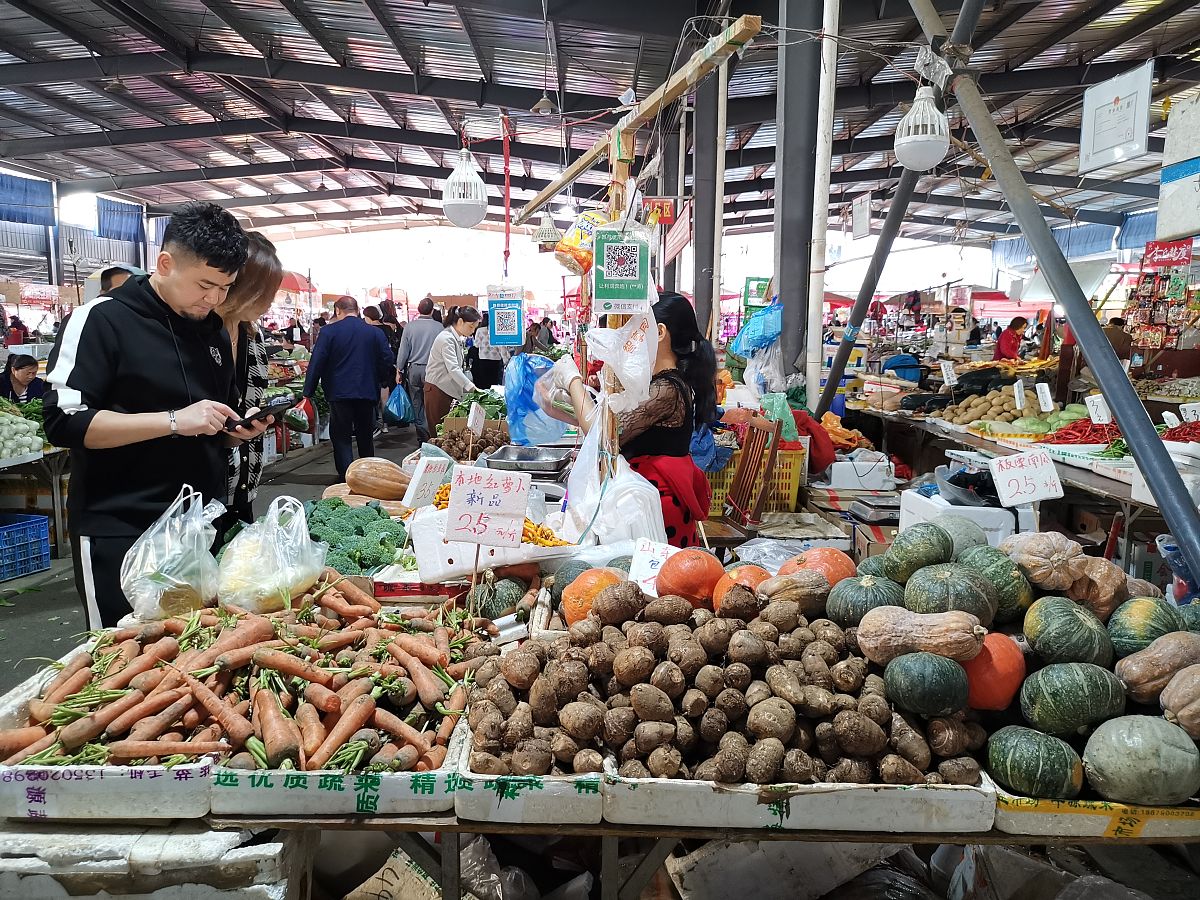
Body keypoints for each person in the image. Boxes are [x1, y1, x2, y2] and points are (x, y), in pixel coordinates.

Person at [44, 202, 272, 628]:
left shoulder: (211, 331)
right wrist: (173, 420)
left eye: (225, 287)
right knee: (118, 658)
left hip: (197, 526)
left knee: (191, 654)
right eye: (205, 284)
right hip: (122, 529)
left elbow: (206, 427)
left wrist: (234, 432)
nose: (215, 298)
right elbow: (64, 422)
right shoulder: (100, 320)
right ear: (165, 263)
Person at [555, 292, 716, 548]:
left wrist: (573, 382)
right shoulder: (656, 384)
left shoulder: (666, 389)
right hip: (646, 501)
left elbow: (603, 437)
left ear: (659, 332)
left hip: (657, 510)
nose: (630, 337)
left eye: (635, 327)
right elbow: (603, 425)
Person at [218, 232, 283, 531]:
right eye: (265, 292)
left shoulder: (251, 335)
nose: (270, 302)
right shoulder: (197, 336)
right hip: (205, 491)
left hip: (245, 479)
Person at [303, 296, 392, 480]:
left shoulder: (329, 332)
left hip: (338, 392)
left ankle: (346, 476)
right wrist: (382, 380)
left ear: (337, 310)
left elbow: (317, 362)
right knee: (365, 434)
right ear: (357, 310)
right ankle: (367, 474)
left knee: (341, 435)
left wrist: (308, 391)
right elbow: (387, 359)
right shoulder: (374, 333)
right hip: (367, 390)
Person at [395, 297, 447, 442]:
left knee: (417, 402)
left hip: (414, 370)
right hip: (434, 370)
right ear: (432, 310)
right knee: (432, 404)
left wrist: (399, 369)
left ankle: (422, 436)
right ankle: (434, 435)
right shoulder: (439, 327)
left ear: (418, 310)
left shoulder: (409, 327)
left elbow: (403, 351)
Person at [424, 307, 481, 434]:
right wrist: (472, 388)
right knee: (438, 432)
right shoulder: (446, 338)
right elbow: (453, 368)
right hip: (437, 390)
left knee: (445, 432)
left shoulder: (456, 337)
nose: (473, 331)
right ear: (460, 321)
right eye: (471, 326)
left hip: (445, 389)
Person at [472, 313, 508, 389]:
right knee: (494, 383)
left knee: (484, 382)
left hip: (483, 359)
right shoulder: (497, 331)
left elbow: (476, 345)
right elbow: (502, 347)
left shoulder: (479, 330)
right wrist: (506, 360)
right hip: (495, 360)